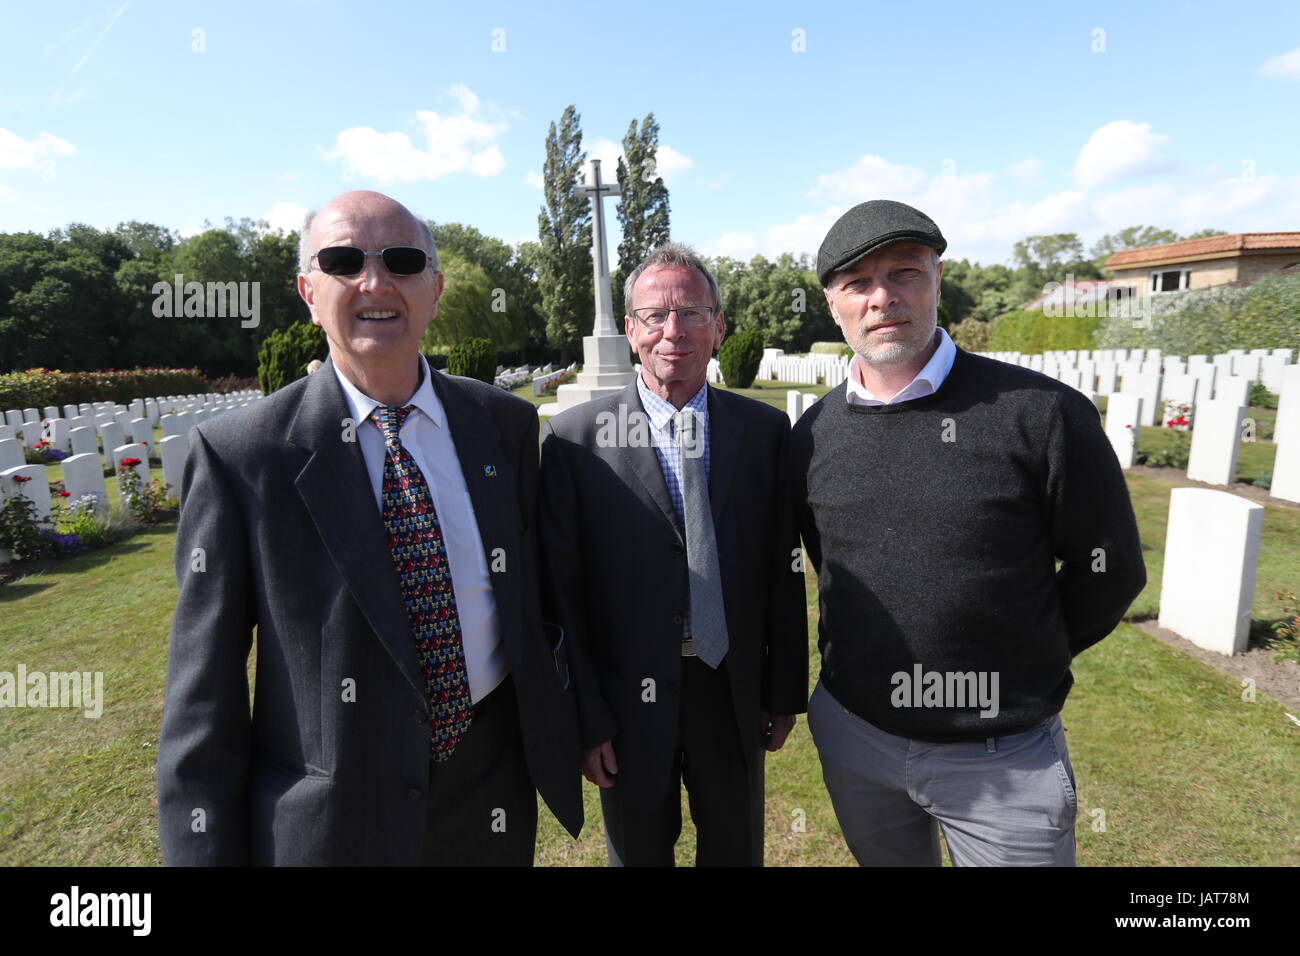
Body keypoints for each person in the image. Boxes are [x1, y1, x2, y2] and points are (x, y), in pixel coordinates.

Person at [156, 190, 581, 865]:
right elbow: (201, 702)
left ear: (435, 290)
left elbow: (533, 599)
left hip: (489, 804)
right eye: (344, 260)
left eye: (403, 262)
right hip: (332, 826)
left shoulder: (503, 427)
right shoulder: (243, 457)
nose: (375, 282)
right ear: (307, 289)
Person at [792, 199, 1146, 866]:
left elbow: (1110, 570)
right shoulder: (812, 436)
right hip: (856, 738)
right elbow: (829, 560)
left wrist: (1021, 656)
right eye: (857, 284)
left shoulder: (1042, 415)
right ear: (832, 303)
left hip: (1002, 758)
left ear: (938, 282)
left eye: (904, 273)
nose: (882, 298)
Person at [538, 242, 808, 867]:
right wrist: (586, 714)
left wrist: (783, 687)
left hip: (730, 688)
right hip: (627, 696)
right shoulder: (576, 441)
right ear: (630, 330)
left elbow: (781, 568)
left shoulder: (763, 433)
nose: (674, 331)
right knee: (638, 853)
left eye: (692, 312)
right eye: (655, 315)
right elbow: (563, 591)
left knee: (735, 849)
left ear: (718, 327)